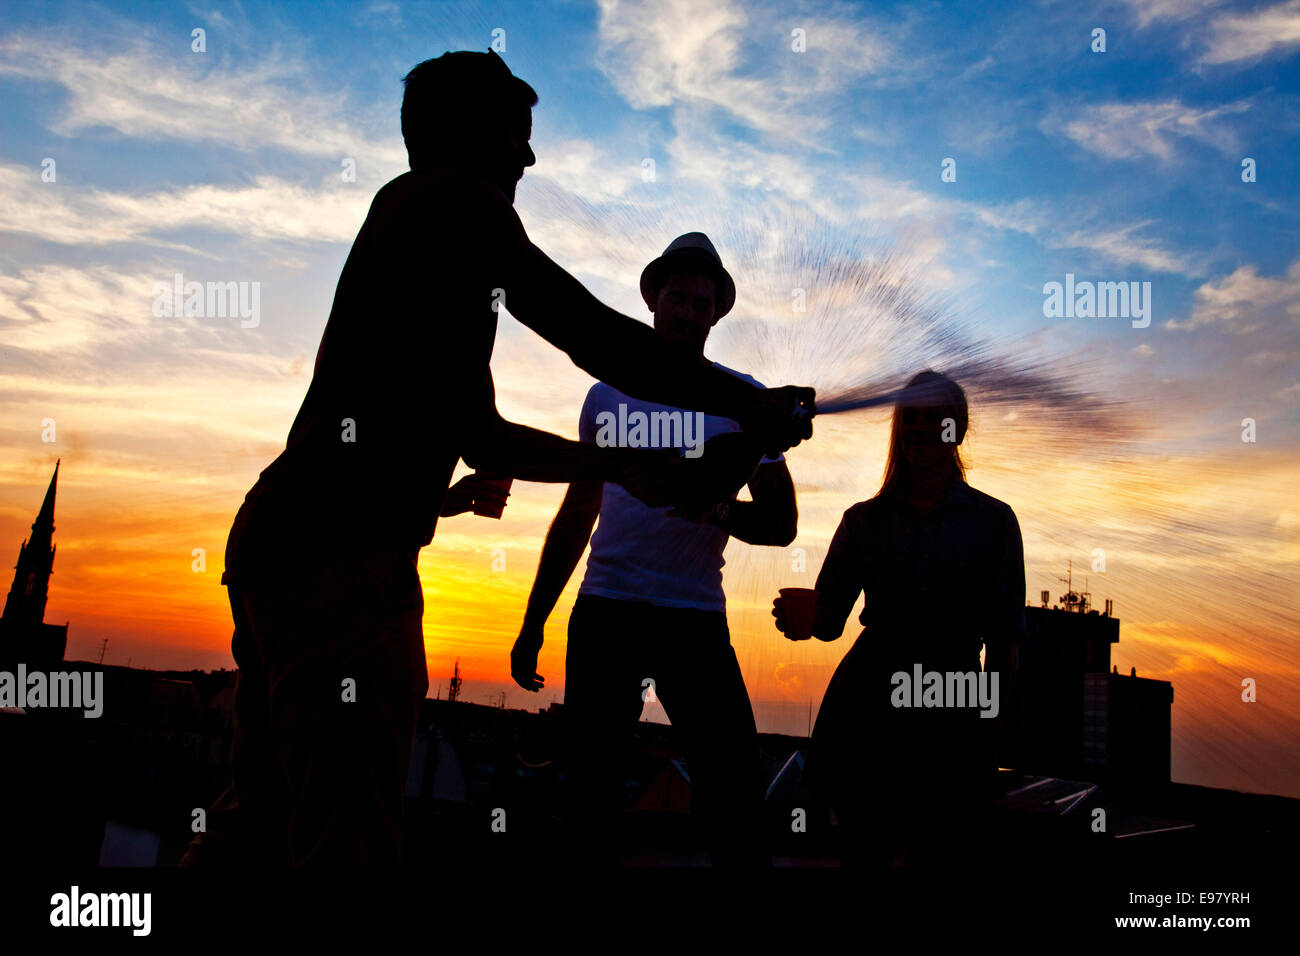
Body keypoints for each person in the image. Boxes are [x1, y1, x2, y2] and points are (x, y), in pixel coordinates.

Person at [180, 50, 813, 868]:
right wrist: (747, 405)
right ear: (469, 135)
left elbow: (486, 437)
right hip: (345, 558)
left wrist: (612, 466)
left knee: (264, 819)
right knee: (348, 833)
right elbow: (591, 333)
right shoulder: (458, 202)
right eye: (518, 136)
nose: (529, 158)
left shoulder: (425, 256)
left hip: (289, 537)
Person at [511, 233, 798, 867]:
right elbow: (577, 511)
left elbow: (782, 525)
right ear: (652, 299)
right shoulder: (605, 393)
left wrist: (716, 506)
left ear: (716, 314)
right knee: (589, 796)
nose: (689, 313)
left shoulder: (747, 401)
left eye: (702, 304)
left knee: (735, 791)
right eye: (678, 298)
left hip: (693, 617)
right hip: (605, 610)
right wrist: (534, 621)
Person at [772, 370, 1024, 866]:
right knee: (864, 853)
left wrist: (991, 743)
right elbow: (829, 623)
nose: (920, 429)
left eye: (936, 418)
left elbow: (1005, 642)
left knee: (941, 855)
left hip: (952, 709)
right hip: (868, 705)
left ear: (960, 428)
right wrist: (805, 616)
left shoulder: (995, 522)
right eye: (911, 417)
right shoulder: (863, 519)